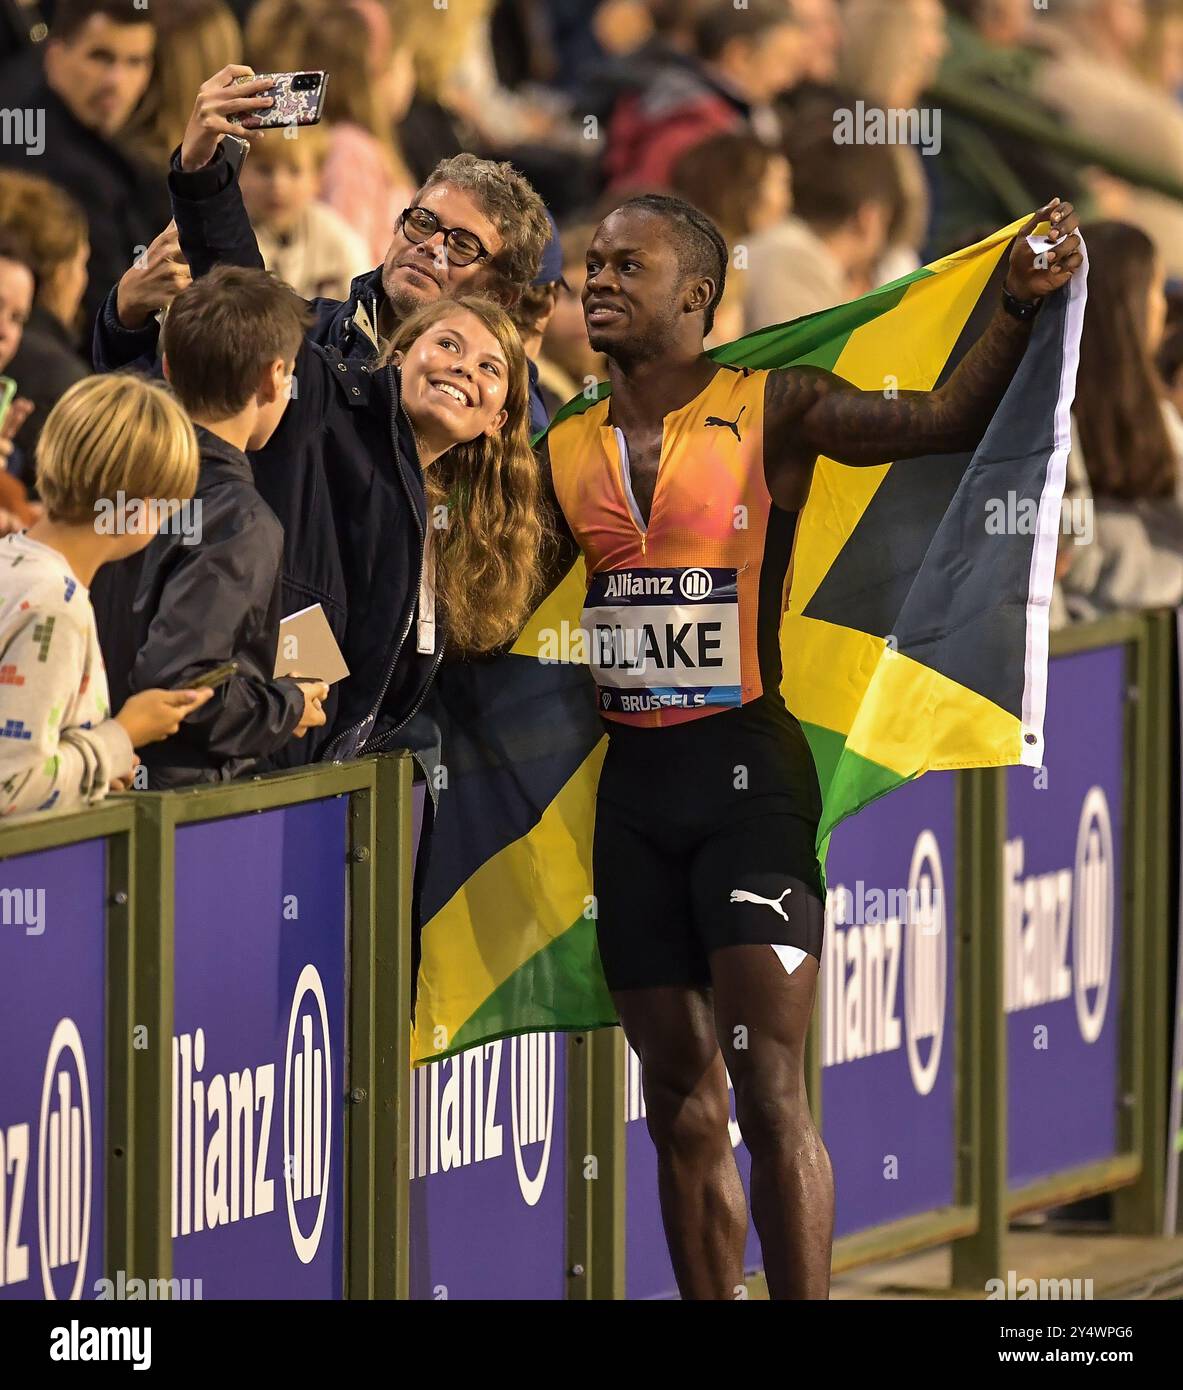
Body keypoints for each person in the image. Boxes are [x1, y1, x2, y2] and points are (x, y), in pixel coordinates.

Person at [539, 191, 1082, 1298]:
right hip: (631, 799)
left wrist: (1017, 308)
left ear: (697, 295)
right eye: (590, 264)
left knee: (767, 1084)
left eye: (624, 266)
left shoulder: (775, 406)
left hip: (748, 787)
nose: (595, 280)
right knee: (677, 1101)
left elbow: (938, 422)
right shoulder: (561, 445)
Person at [93, 62, 551, 764]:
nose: (430, 245)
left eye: (461, 245)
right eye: (423, 221)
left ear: (504, 292)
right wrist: (202, 173)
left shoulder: (510, 426)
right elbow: (234, 285)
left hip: (371, 746)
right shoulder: (310, 345)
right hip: (253, 727)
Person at [126, 266, 328, 788]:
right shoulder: (240, 521)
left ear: (167, 367)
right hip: (175, 815)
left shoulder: (112, 470)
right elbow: (182, 687)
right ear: (273, 376)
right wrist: (287, 704)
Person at [0, 374, 213, 818]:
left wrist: (95, 768)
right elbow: (13, 787)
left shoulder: (14, 562)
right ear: (136, 507)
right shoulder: (54, 603)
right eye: (167, 505)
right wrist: (123, 736)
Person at [0, 0, 171, 345]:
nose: (116, 81)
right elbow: (107, 320)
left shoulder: (98, 143)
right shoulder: (53, 163)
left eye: (134, 62)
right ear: (56, 54)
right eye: (100, 57)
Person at [1058, 220, 1183, 619]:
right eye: (1156, 288)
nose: (1162, 306)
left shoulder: (1158, 415)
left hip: (1154, 625)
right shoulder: (1055, 413)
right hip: (1092, 641)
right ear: (1130, 304)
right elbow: (1068, 555)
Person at [245, 0, 416, 268]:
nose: (409, 78)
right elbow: (350, 262)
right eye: (401, 64)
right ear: (374, 73)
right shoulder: (349, 149)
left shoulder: (359, 144)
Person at [601, 0, 803, 193]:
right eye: (782, 61)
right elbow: (647, 220)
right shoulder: (687, 128)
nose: (789, 82)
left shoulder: (746, 117)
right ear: (740, 56)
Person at [743, 139, 900, 332]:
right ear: (868, 218)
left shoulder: (785, 245)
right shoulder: (800, 263)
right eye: (886, 220)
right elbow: (799, 358)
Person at [0, 171, 91, 468]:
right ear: (59, 272)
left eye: (17, 318)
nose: (5, 331)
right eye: (81, 263)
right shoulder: (63, 380)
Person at [237, 121, 371, 303]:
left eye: (294, 171)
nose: (278, 185)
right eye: (264, 169)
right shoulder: (230, 236)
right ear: (241, 170)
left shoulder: (338, 240)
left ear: (317, 178)